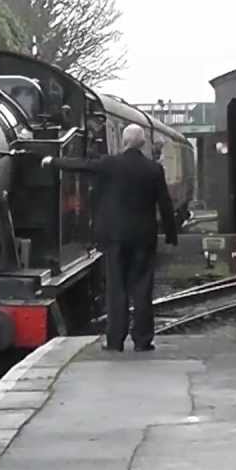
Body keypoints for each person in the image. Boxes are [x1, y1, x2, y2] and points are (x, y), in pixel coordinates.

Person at [41, 123, 179, 352]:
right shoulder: (154, 169)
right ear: (143, 143)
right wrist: (171, 235)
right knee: (142, 288)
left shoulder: (109, 164)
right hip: (143, 237)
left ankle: (115, 340)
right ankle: (143, 340)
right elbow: (164, 204)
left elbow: (82, 166)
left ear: (124, 142)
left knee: (116, 288)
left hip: (114, 237)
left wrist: (52, 161)